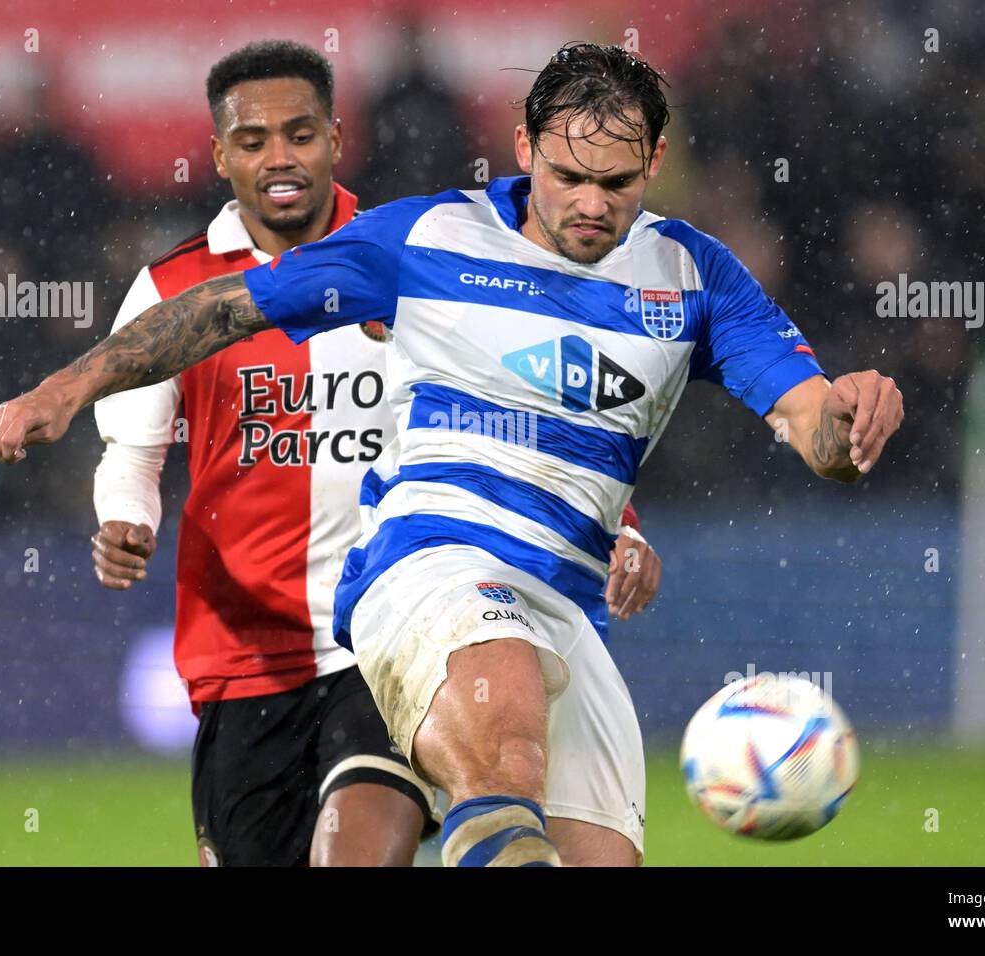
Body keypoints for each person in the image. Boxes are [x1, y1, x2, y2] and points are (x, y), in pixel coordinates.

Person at [0, 42, 902, 867]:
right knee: (503, 759)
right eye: (568, 175)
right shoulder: (427, 238)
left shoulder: (693, 276)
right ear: (523, 146)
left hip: (569, 601)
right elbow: (224, 308)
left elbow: (814, 429)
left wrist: (851, 423)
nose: (590, 203)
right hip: (429, 567)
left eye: (617, 183)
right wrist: (66, 388)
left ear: (656, 164)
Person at [88, 40, 660, 867]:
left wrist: (624, 525)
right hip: (243, 659)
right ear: (220, 155)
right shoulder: (173, 292)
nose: (279, 158)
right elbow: (131, 456)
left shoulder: (421, 260)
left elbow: (535, 415)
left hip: (395, 620)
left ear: (335, 137)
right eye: (253, 142)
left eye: (300, 134)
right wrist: (124, 519)